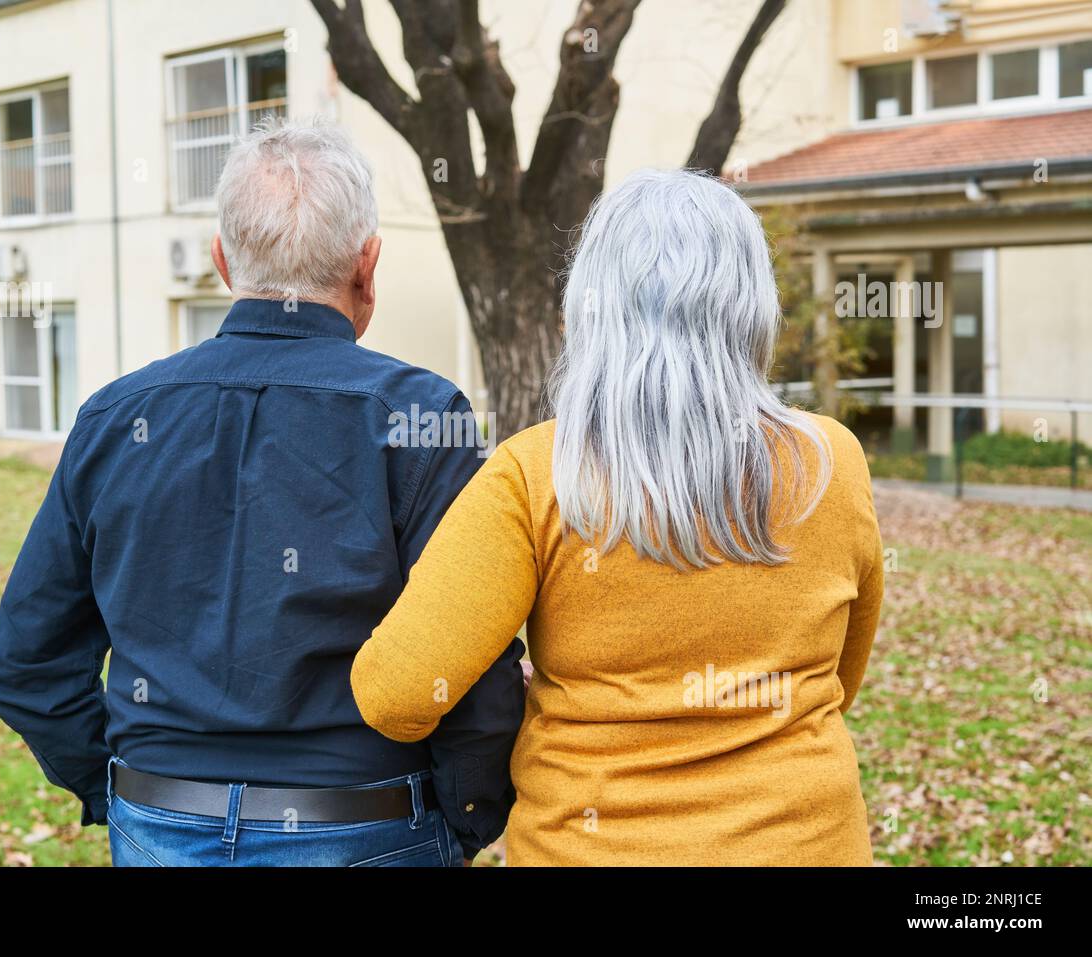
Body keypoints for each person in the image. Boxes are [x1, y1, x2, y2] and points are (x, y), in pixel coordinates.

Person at [0, 119, 524, 867]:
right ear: (368, 265)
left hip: (169, 819)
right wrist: (466, 817)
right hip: (365, 822)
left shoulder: (114, 416)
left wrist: (128, 792)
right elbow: (476, 660)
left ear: (222, 262)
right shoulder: (424, 417)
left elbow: (24, 663)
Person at [351, 169, 884, 866]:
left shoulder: (534, 474)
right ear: (753, 308)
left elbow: (396, 694)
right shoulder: (830, 461)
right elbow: (841, 676)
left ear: (589, 307)